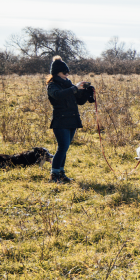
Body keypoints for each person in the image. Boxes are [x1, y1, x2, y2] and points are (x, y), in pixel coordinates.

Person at [45, 56, 95, 184]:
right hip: (60, 121)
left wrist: (87, 93)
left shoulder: (69, 85)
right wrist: (75, 88)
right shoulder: (52, 86)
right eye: (64, 72)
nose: (67, 74)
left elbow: (79, 101)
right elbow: (58, 95)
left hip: (72, 120)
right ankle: (54, 175)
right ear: (57, 73)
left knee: (65, 149)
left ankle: (61, 173)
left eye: (67, 72)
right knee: (62, 147)